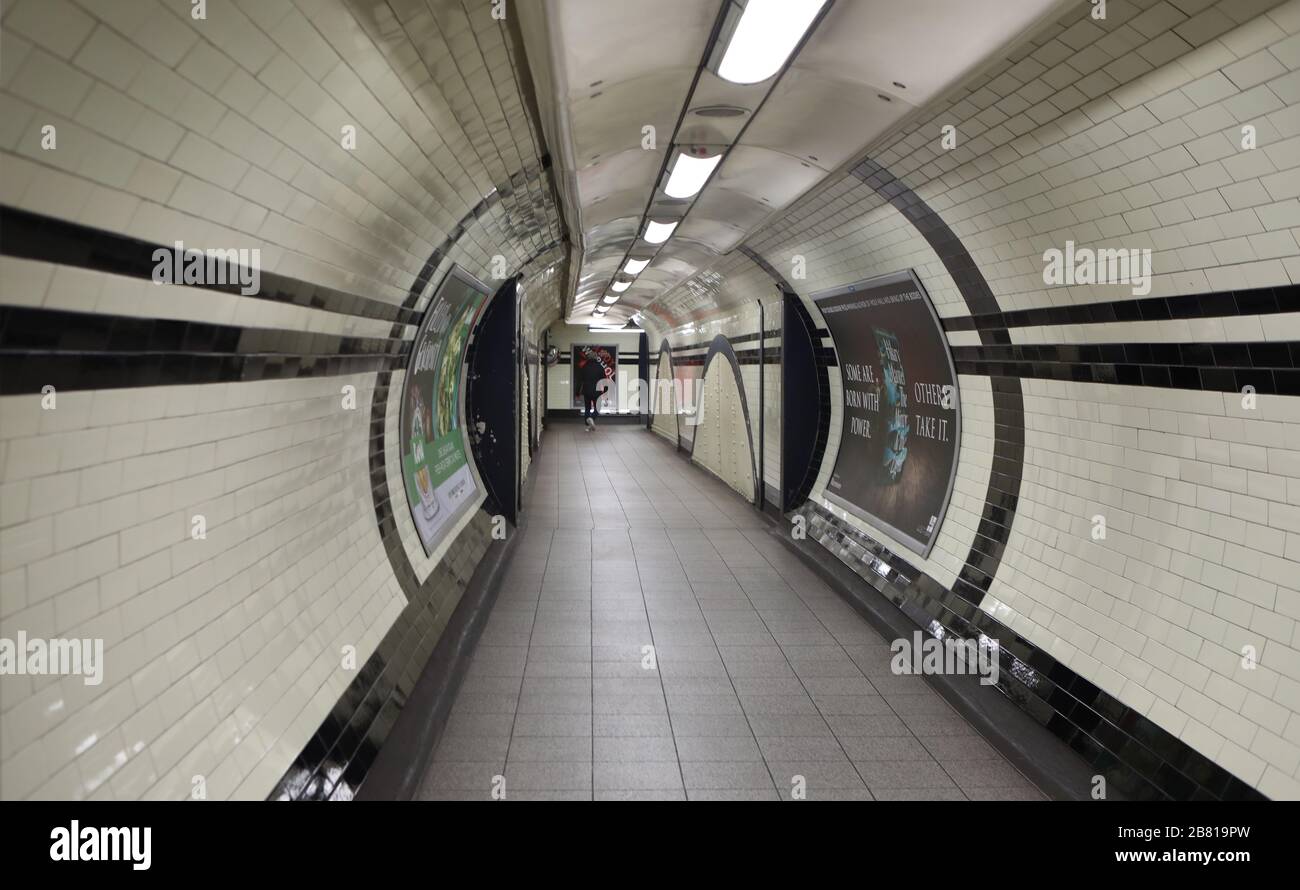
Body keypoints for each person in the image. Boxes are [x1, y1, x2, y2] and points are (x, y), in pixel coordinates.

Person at [578, 351, 605, 430]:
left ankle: (588, 424)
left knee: (587, 408)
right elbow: (604, 380)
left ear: (588, 358)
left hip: (586, 391)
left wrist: (577, 393)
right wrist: (605, 390)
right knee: (598, 408)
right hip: (597, 391)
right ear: (596, 358)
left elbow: (580, 381)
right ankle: (592, 418)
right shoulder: (600, 367)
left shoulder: (584, 367)